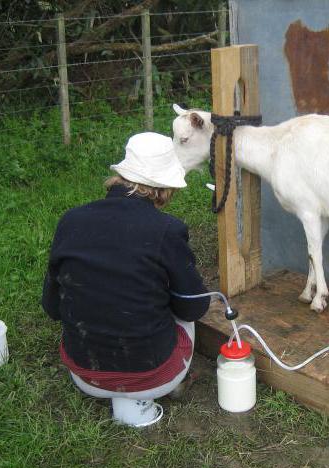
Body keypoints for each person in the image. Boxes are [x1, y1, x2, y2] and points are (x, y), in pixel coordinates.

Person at [42, 132, 210, 426]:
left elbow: (52, 308)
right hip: (151, 375)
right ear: (164, 188)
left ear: (120, 176)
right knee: (187, 305)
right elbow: (194, 308)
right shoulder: (167, 230)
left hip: (84, 372)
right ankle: (166, 382)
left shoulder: (71, 220)